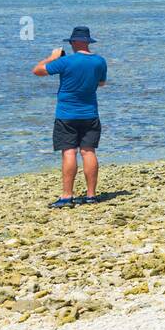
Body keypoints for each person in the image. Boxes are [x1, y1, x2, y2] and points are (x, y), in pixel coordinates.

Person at [32, 26, 107, 208]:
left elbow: (37, 70)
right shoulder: (100, 61)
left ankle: (67, 196)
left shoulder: (66, 62)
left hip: (66, 115)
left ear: (73, 42)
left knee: (69, 152)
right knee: (88, 151)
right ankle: (91, 195)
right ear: (88, 42)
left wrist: (53, 57)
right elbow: (102, 83)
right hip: (90, 113)